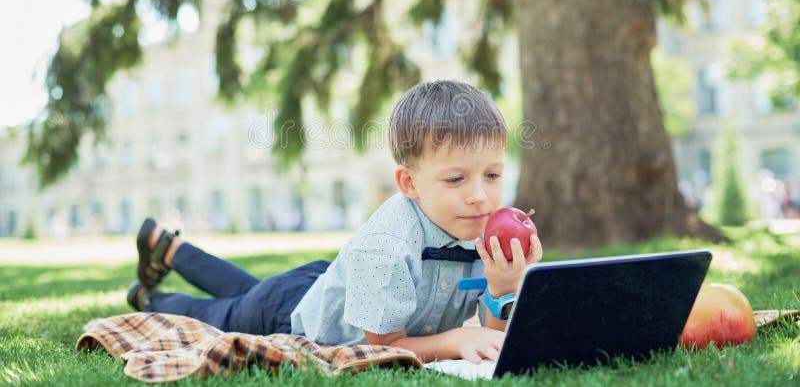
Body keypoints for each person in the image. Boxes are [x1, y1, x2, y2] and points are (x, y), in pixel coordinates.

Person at [127, 80, 543, 363]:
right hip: (288, 314)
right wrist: (454, 339)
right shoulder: (387, 245)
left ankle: (171, 248)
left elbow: (493, 339)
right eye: (455, 179)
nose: (480, 195)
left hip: (325, 288)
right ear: (409, 182)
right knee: (224, 316)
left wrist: (503, 287)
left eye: (492, 175)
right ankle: (153, 301)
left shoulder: (475, 225)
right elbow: (386, 348)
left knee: (244, 293)